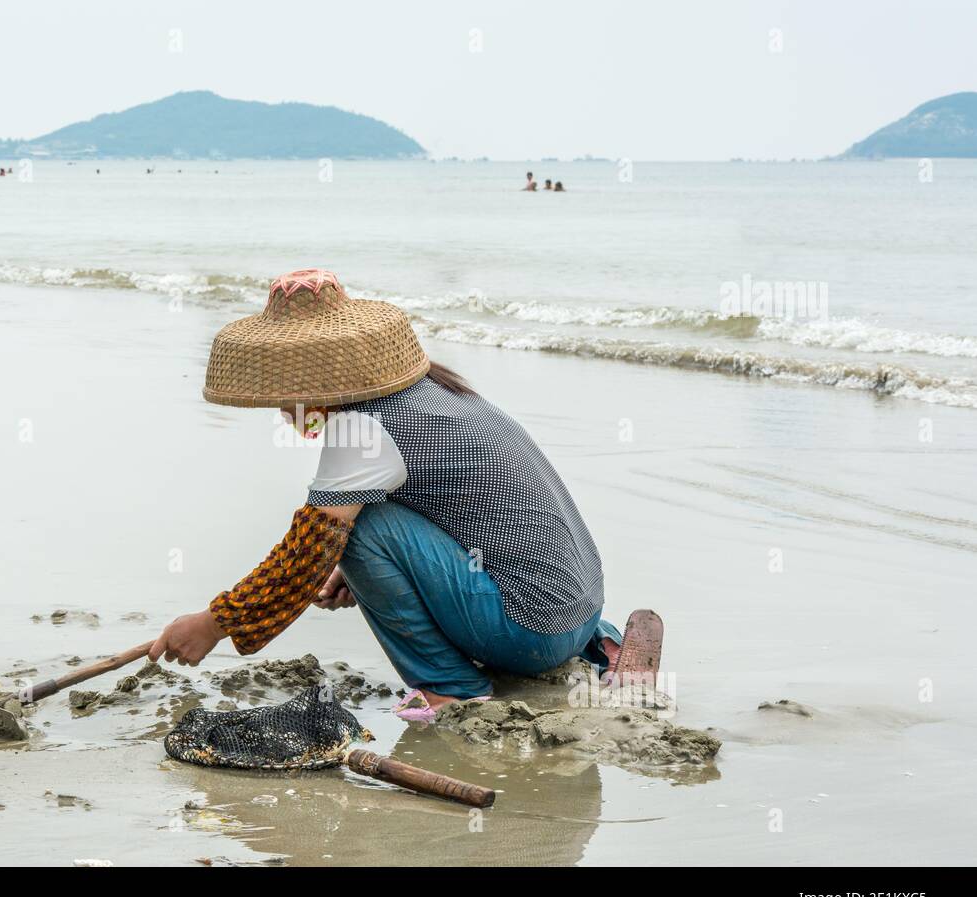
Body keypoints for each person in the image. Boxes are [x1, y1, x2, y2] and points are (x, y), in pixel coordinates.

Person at [147, 268, 663, 720]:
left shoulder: (363, 432)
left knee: (354, 530)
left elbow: (304, 553)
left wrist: (213, 624)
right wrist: (353, 573)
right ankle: (604, 648)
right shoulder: (438, 394)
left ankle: (449, 687)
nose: (281, 407)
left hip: (532, 634)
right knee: (355, 529)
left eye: (285, 390)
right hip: (581, 610)